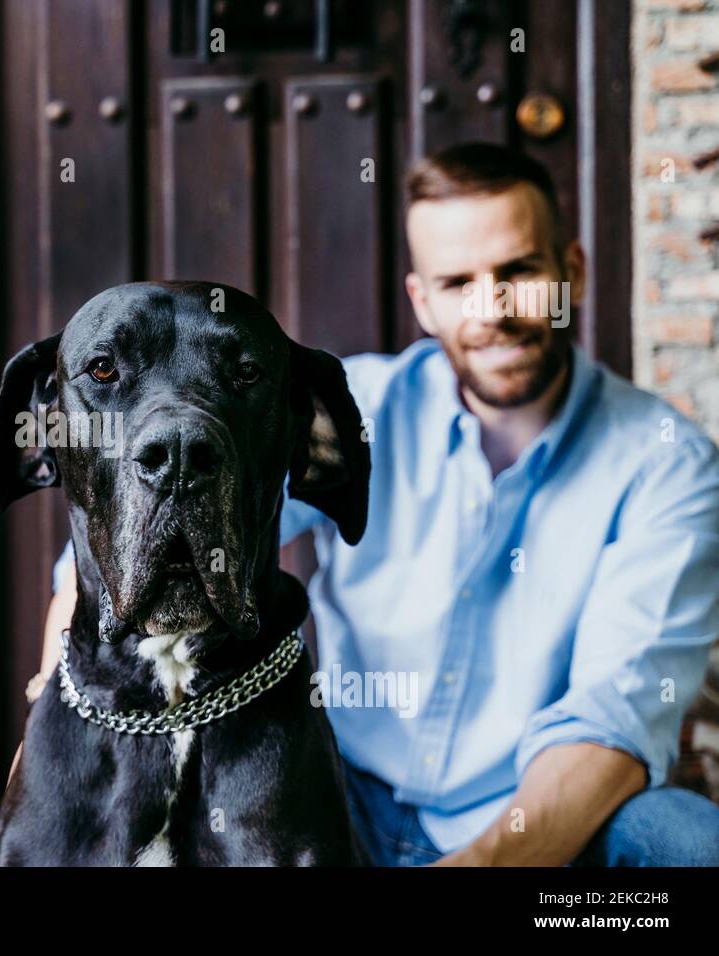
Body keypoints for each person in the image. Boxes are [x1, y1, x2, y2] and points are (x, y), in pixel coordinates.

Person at [37, 142, 719, 865]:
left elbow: (611, 723)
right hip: (337, 792)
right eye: (458, 282)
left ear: (571, 272)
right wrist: (48, 736)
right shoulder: (356, 406)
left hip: (542, 818)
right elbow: (107, 560)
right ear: (422, 301)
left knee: (687, 841)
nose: (492, 308)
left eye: (519, 272)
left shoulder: (665, 462)